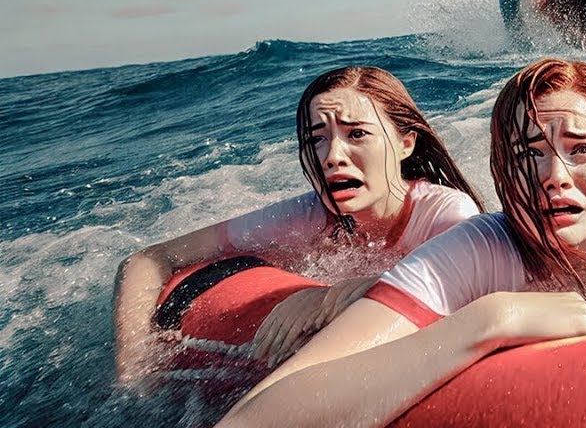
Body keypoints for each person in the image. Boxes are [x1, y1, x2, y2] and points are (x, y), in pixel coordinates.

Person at [215, 58, 586, 427]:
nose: (555, 176)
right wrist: (486, 322)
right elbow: (253, 418)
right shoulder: (474, 250)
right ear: (501, 168)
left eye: (581, 150)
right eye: (528, 154)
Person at [113, 66, 483, 381]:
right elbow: (147, 259)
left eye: (357, 134)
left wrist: (329, 297)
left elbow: (465, 299)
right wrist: (135, 368)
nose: (332, 156)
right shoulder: (310, 216)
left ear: (405, 144)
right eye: (316, 139)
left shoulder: (446, 214)